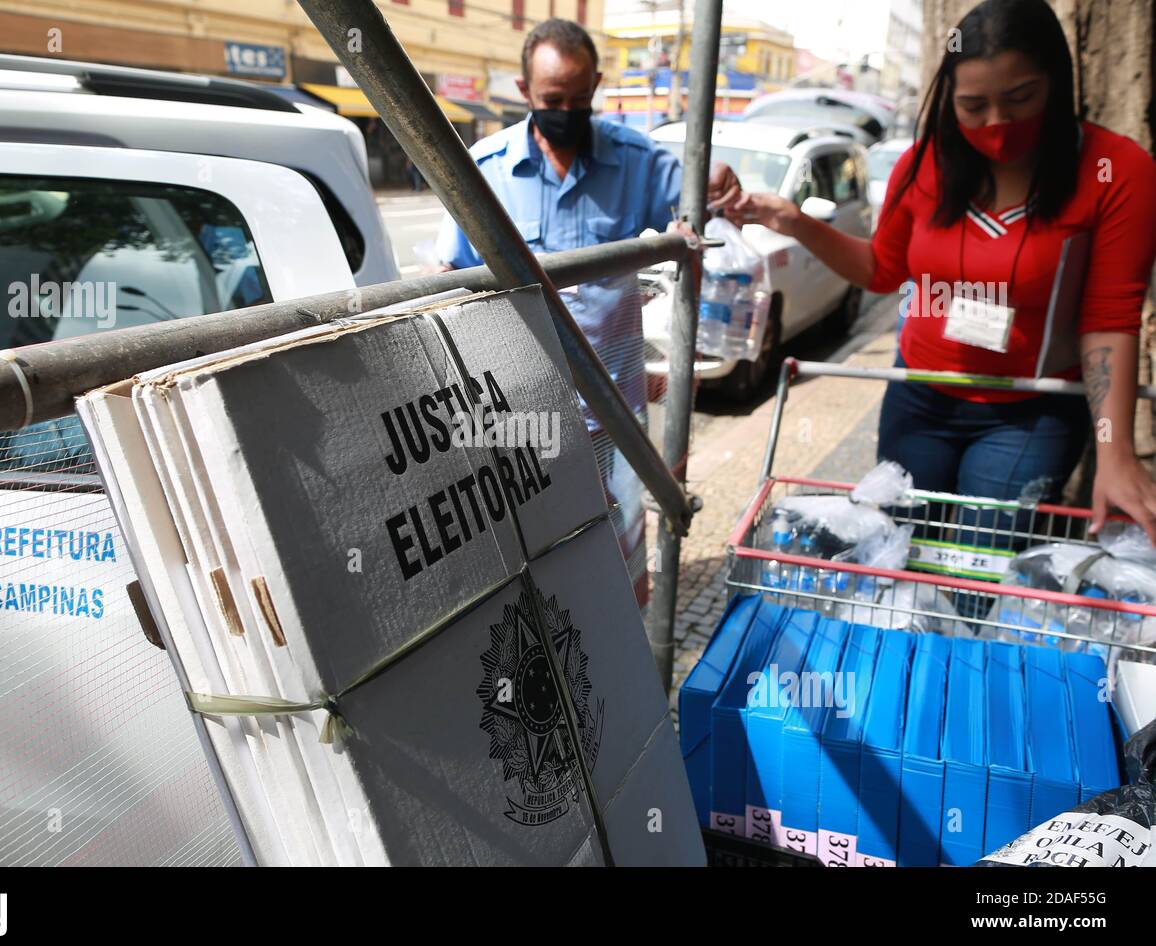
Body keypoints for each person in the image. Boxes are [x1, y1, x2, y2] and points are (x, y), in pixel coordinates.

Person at [723, 0, 1156, 542]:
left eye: (1021, 98)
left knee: (979, 564)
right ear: (948, 97)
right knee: (896, 550)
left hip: (1030, 411)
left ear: (1057, 81)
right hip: (919, 395)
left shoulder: (1114, 171)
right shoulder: (922, 164)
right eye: (973, 106)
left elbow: (1109, 317)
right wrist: (795, 222)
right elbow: (883, 270)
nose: (997, 124)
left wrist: (1115, 453)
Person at [435, 17, 739, 600]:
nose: (567, 111)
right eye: (553, 100)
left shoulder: (636, 162)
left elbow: (697, 199)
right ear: (524, 92)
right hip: (522, 423)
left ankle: (631, 678)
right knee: (539, 581)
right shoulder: (484, 169)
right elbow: (450, 280)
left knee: (627, 581)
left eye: (580, 98)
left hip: (616, 414)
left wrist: (716, 186)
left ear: (597, 85)